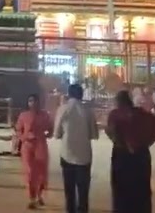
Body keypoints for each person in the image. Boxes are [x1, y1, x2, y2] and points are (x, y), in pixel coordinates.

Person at [105, 88, 155, 213]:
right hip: (141, 157)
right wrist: (147, 143)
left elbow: (111, 132)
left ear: (118, 102)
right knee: (142, 190)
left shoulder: (115, 115)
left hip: (122, 157)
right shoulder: (143, 114)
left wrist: (122, 143)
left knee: (121, 192)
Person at [55, 83, 98, 213]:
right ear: (81, 94)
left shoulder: (63, 109)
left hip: (67, 154)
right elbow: (94, 135)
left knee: (69, 192)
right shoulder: (88, 111)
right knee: (83, 193)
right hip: (84, 156)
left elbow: (57, 134)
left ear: (69, 94)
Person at [16, 93, 54, 209]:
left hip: (40, 144)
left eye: (35, 101)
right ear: (28, 103)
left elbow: (51, 128)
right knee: (30, 172)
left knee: (42, 172)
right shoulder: (23, 115)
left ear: (39, 102)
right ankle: (32, 198)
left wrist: (47, 135)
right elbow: (18, 130)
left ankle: (39, 195)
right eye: (30, 101)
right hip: (27, 146)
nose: (33, 103)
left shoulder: (45, 115)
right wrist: (23, 138)